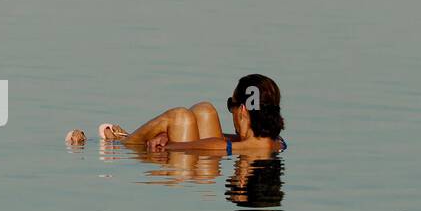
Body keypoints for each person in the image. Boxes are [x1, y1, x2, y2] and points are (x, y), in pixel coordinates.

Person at [100, 74, 287, 155]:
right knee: (205, 111)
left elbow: (170, 148)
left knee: (179, 116)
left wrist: (166, 140)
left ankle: (123, 144)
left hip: (188, 162)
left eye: (231, 105)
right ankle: (129, 137)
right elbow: (240, 142)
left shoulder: (225, 147)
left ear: (243, 111)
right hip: (209, 168)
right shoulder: (278, 142)